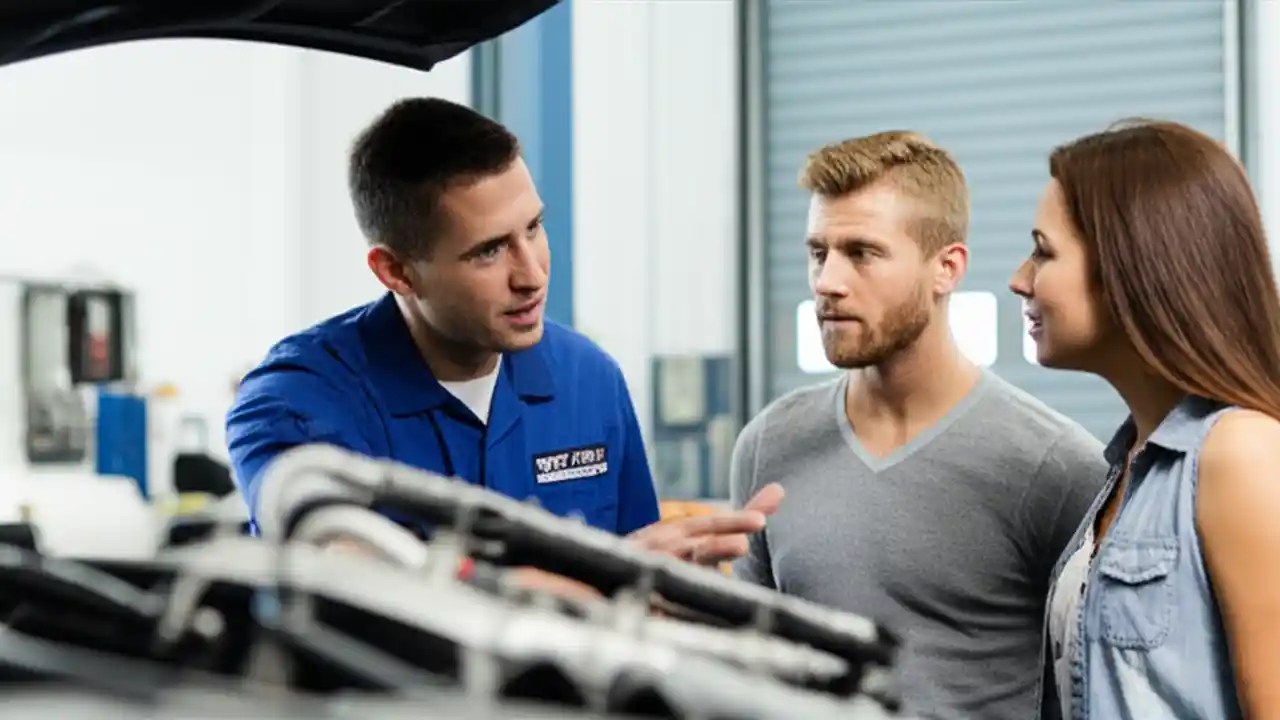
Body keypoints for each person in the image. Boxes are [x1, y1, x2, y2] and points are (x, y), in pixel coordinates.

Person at [226, 97, 781, 566]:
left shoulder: (589, 381)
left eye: (533, 228)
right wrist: (600, 582)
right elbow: (351, 583)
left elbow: (644, 574)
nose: (532, 275)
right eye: (489, 251)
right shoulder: (293, 402)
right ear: (396, 271)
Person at [729, 130, 1108, 720]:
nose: (828, 281)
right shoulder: (768, 445)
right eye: (818, 252)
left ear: (946, 269)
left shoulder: (1055, 469)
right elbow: (746, 671)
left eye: (862, 253)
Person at [1012, 119, 1280, 720]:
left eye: (1043, 251)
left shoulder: (1240, 453)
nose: (1020, 279)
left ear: (1129, 268)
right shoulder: (1129, 467)